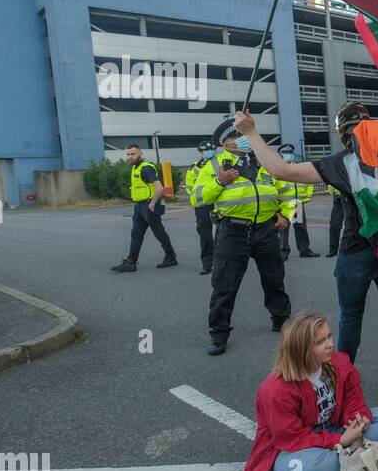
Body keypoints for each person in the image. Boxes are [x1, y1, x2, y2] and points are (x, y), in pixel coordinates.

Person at [233, 97, 378, 405]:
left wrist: (250, 132)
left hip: (355, 250)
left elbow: (280, 170)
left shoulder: (342, 162)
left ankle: (342, 383)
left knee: (351, 317)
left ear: (342, 133)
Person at [243, 312, 378, 471]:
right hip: (292, 450)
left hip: (331, 428)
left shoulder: (336, 362)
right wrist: (341, 440)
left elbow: (353, 397)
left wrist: (358, 418)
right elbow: (290, 439)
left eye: (329, 336)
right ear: (300, 350)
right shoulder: (275, 390)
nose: (329, 344)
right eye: (320, 342)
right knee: (309, 467)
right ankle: (371, 458)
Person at [191, 118, 296, 355]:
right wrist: (220, 181)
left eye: (246, 135)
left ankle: (281, 319)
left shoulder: (265, 161)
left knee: (274, 278)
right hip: (233, 232)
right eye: (238, 137)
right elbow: (197, 198)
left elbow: (288, 192)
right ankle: (219, 334)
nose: (246, 139)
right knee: (224, 285)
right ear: (226, 143)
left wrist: (286, 215)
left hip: (266, 230)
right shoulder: (214, 164)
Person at [111, 143, 178, 273]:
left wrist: (152, 204)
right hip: (139, 206)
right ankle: (131, 262)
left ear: (141, 154)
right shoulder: (136, 168)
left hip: (149, 205)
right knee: (136, 234)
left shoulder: (146, 168)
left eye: (133, 154)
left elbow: (159, 188)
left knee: (159, 232)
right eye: (128, 154)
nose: (130, 156)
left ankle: (171, 257)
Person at [275, 143, 320, 260]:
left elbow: (308, 182)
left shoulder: (297, 168)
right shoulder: (277, 169)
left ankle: (304, 250)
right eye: (286, 153)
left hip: (298, 203)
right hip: (285, 205)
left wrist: (307, 196)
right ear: (280, 155)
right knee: (283, 229)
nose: (290, 155)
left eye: (291, 153)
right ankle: (283, 252)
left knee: (301, 227)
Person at [186, 142, 217, 275]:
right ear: (200, 152)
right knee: (205, 234)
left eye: (212, 149)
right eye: (206, 150)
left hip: (220, 202)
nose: (209, 152)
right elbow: (190, 188)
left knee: (227, 230)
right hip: (203, 204)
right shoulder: (194, 168)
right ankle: (207, 263)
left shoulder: (221, 163)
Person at [327, 185, 343, 257]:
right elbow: (330, 183)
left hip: (351, 199)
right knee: (334, 226)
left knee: (354, 225)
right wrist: (334, 193)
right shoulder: (334, 173)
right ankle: (333, 249)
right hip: (338, 200)